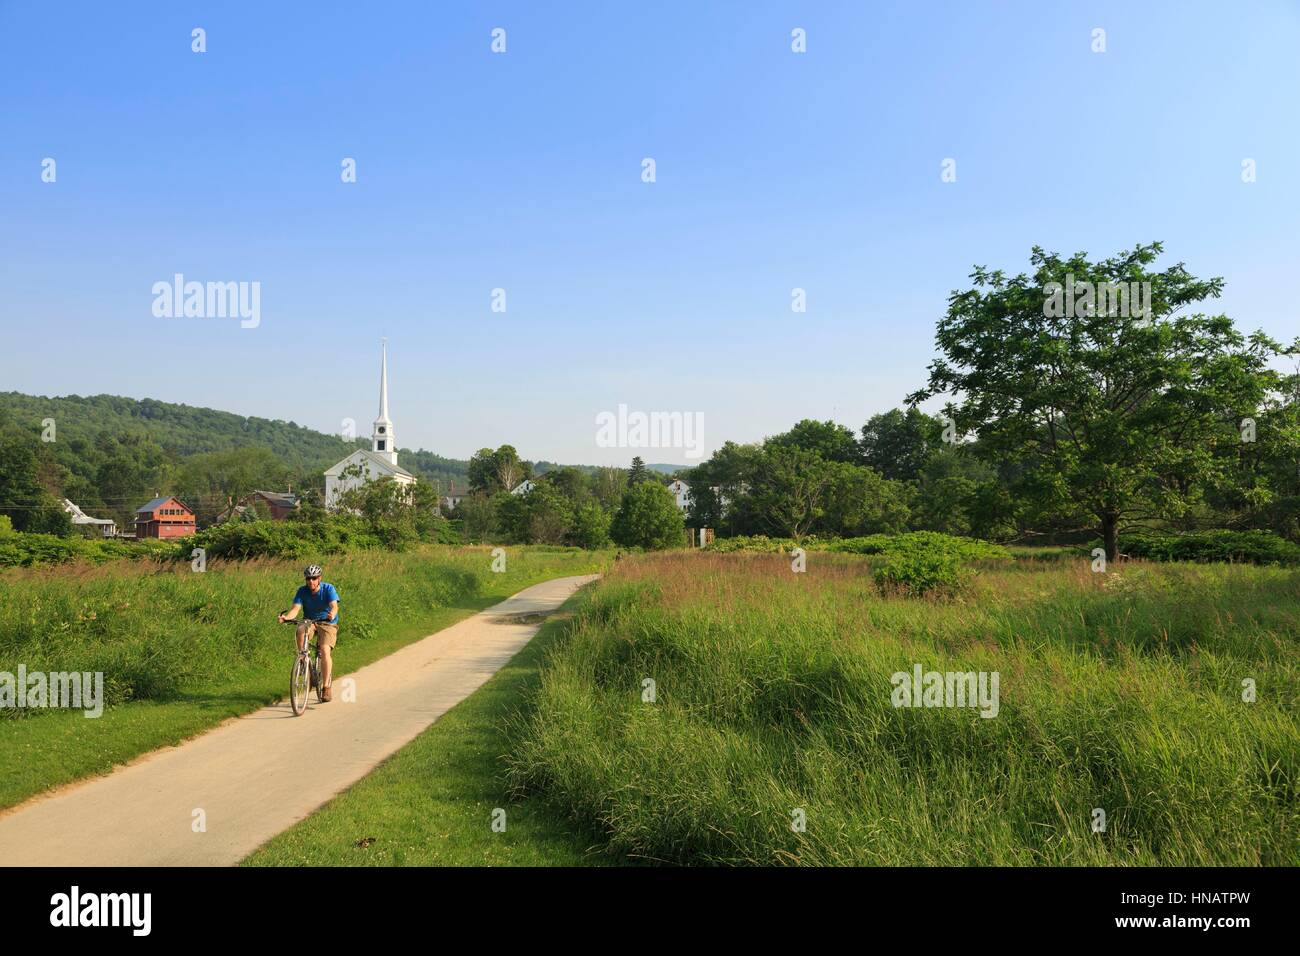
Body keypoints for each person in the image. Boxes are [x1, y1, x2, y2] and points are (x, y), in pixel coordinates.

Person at [278, 564, 340, 702]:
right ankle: (303, 660)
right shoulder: (302, 591)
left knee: (324, 650)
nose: (311, 581)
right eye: (308, 579)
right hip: (309, 621)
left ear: (319, 579)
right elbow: (295, 609)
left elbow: (334, 606)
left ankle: (326, 687)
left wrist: (332, 614)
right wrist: (286, 617)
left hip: (327, 622)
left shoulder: (328, 588)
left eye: (314, 578)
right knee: (300, 630)